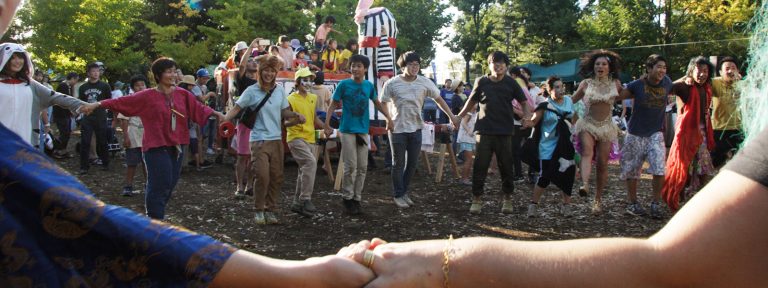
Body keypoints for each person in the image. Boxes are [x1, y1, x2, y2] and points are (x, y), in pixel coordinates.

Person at [80, 57, 225, 220]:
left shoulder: (183, 94)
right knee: (159, 183)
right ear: (158, 75)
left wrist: (217, 114)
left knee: (170, 182)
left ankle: (157, 214)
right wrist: (96, 105)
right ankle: (155, 220)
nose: (173, 75)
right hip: (156, 146)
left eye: (174, 71)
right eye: (169, 71)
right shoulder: (147, 96)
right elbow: (120, 101)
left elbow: (199, 108)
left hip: (177, 145)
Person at [222, 55, 304, 225]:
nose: (269, 74)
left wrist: (296, 115)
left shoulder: (279, 90)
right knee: (262, 175)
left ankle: (271, 209)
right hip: (258, 139)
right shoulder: (252, 91)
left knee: (277, 176)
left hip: (276, 139)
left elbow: (284, 112)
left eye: (272, 71)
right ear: (260, 72)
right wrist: (224, 119)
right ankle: (259, 209)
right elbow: (237, 108)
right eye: (265, 70)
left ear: (275, 73)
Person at [456, 51, 531, 214]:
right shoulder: (481, 81)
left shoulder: (511, 83)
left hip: (505, 131)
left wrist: (526, 117)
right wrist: (458, 117)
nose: (498, 66)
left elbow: (524, 102)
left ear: (506, 65)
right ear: (489, 65)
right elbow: (471, 101)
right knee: (480, 166)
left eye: (501, 63)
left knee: (506, 166)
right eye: (494, 63)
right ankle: (477, 198)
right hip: (483, 131)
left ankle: (508, 198)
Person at [379, 51, 456, 208]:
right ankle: (398, 194)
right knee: (398, 163)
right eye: (410, 64)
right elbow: (383, 102)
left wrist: (451, 116)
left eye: (417, 65)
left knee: (413, 164)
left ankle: (404, 191)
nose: (414, 67)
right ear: (402, 67)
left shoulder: (424, 82)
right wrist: (388, 119)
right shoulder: (392, 83)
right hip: (397, 128)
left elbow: (439, 99)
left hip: (416, 128)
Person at [323, 54, 388, 215]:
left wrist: (389, 118)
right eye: (353, 65)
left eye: (359, 66)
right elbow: (332, 105)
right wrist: (326, 124)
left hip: (363, 130)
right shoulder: (344, 85)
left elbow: (377, 103)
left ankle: (357, 198)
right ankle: (347, 198)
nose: (355, 68)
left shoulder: (368, 86)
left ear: (365, 69)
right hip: (346, 130)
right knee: (350, 165)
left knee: (363, 167)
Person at [618, 54, 674, 219]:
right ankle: (633, 203)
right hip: (635, 134)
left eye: (664, 67)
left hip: (655, 134)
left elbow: (680, 85)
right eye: (658, 67)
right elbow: (618, 96)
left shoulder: (667, 82)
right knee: (633, 171)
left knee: (658, 168)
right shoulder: (637, 85)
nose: (662, 70)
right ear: (649, 69)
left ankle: (655, 203)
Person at [0, 43, 84, 147]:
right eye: (12, 58)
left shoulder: (30, 84)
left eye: (20, 57)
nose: (18, 61)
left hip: (24, 140)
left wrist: (82, 105)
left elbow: (55, 96)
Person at [571, 49, 624, 214]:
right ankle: (585, 184)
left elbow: (628, 95)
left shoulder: (615, 83)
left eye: (604, 64)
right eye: (597, 64)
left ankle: (598, 201)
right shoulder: (586, 83)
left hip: (607, 127)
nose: (600, 66)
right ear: (593, 67)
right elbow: (571, 100)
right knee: (586, 151)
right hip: (587, 123)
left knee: (602, 163)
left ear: (609, 67)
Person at [663, 56, 717, 210]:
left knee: (703, 166)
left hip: (703, 133)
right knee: (683, 166)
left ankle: (698, 196)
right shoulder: (684, 86)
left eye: (705, 71)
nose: (702, 74)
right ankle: (679, 198)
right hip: (686, 133)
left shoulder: (707, 87)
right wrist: (685, 77)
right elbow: (666, 87)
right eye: (698, 71)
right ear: (691, 71)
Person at [526, 76, 576, 218]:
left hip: (566, 145)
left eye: (562, 87)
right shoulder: (544, 106)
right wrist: (525, 121)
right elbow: (533, 121)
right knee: (544, 177)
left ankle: (566, 206)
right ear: (550, 90)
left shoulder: (568, 101)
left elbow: (574, 120)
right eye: (557, 87)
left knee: (567, 175)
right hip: (547, 146)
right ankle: (533, 205)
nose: (561, 90)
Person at [286, 67, 330, 217]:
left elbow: (314, 119)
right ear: (297, 82)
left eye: (310, 79)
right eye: (305, 79)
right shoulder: (290, 99)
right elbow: (285, 123)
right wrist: (295, 120)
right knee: (310, 163)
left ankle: (296, 204)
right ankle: (305, 199)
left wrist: (326, 127)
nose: (308, 82)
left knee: (303, 170)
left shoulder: (313, 98)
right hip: (295, 137)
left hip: (310, 138)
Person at [78, 62, 113, 175]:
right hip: (87, 117)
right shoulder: (83, 87)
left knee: (102, 140)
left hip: (100, 116)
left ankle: (106, 163)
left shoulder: (104, 86)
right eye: (93, 71)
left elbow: (109, 100)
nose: (96, 73)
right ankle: (84, 166)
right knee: (85, 141)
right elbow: (82, 102)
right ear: (88, 73)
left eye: (97, 71)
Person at [116, 75, 148, 196]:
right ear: (133, 87)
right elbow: (124, 120)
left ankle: (148, 185)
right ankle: (128, 186)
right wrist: (125, 137)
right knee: (132, 163)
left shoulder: (149, 100)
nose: (140, 87)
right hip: (133, 133)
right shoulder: (129, 100)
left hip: (146, 134)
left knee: (147, 162)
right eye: (137, 85)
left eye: (142, 84)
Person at [709, 56, 743, 168]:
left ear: (738, 71)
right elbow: (701, 79)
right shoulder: (715, 82)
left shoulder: (743, 84)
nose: (730, 71)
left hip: (738, 129)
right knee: (716, 160)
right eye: (727, 68)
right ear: (720, 72)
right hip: (719, 129)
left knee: (739, 162)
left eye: (733, 68)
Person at [51, 72, 80, 158]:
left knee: (66, 132)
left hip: (65, 114)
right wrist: (71, 111)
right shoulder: (63, 86)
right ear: (72, 78)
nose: (76, 82)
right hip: (61, 114)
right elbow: (66, 101)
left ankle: (63, 150)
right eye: (76, 80)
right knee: (64, 133)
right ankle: (58, 150)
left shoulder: (68, 87)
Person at [456, 107, 477, 186]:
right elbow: (463, 123)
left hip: (470, 139)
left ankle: (465, 178)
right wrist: (469, 131)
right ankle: (464, 179)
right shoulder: (469, 112)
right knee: (468, 160)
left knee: (470, 160)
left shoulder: (474, 113)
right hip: (466, 139)